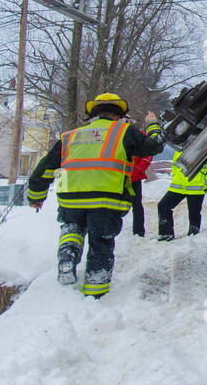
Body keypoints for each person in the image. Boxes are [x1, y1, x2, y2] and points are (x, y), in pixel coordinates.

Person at [27, 93, 164, 297]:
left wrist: (36, 197)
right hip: (104, 199)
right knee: (100, 242)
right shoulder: (124, 131)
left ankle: (68, 257)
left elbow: (44, 169)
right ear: (119, 115)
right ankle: (95, 291)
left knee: (72, 229)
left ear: (92, 114)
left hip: (70, 198)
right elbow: (155, 145)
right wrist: (153, 125)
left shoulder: (70, 136)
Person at [157, 151, 207, 241]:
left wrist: (205, 184)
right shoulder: (180, 149)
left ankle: (193, 234)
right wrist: (175, 176)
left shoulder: (203, 148)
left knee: (194, 212)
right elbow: (175, 164)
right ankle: (166, 234)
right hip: (178, 186)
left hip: (197, 186)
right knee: (163, 205)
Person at [129, 154, 153, 237]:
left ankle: (138, 232)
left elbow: (148, 154)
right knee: (113, 204)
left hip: (134, 178)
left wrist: (138, 170)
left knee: (136, 205)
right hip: (118, 176)